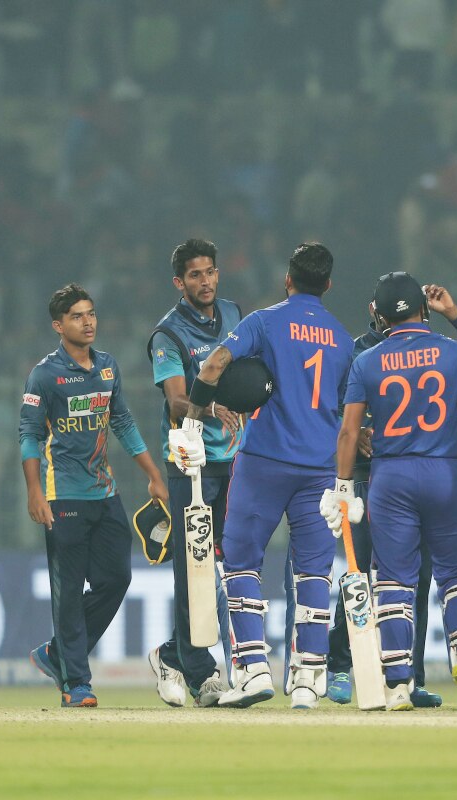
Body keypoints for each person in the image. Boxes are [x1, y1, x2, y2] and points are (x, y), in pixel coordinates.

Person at [325, 271, 457, 711]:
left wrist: (341, 488)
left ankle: (397, 683)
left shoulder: (366, 360)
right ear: (421, 308)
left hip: (390, 477)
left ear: (378, 314)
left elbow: (348, 431)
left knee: (393, 581)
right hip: (445, 473)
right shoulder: (451, 353)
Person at [171, 242, 353, 710]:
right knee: (314, 571)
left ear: (287, 279)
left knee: (241, 561)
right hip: (319, 467)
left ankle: (252, 670)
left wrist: (195, 416)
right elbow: (351, 408)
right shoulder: (342, 337)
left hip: (265, 461)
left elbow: (214, 365)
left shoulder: (264, 321)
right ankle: (309, 680)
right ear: (328, 286)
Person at [22, 283, 169, 708]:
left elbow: (121, 420)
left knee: (116, 579)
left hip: (105, 492)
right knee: (68, 590)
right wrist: (35, 491)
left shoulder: (107, 367)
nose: (88, 322)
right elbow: (29, 434)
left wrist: (152, 473)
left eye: (90, 314)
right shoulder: (45, 375)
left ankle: (55, 653)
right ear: (58, 325)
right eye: (76, 316)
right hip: (63, 495)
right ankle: (76, 683)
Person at [145, 238, 241, 708]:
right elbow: (177, 401)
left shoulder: (235, 314)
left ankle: (170, 653)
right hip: (191, 464)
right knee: (195, 566)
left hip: (235, 459)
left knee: (223, 566)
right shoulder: (168, 334)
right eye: (195, 275)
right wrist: (213, 406)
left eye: (211, 272)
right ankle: (205, 673)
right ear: (179, 283)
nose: (205, 282)